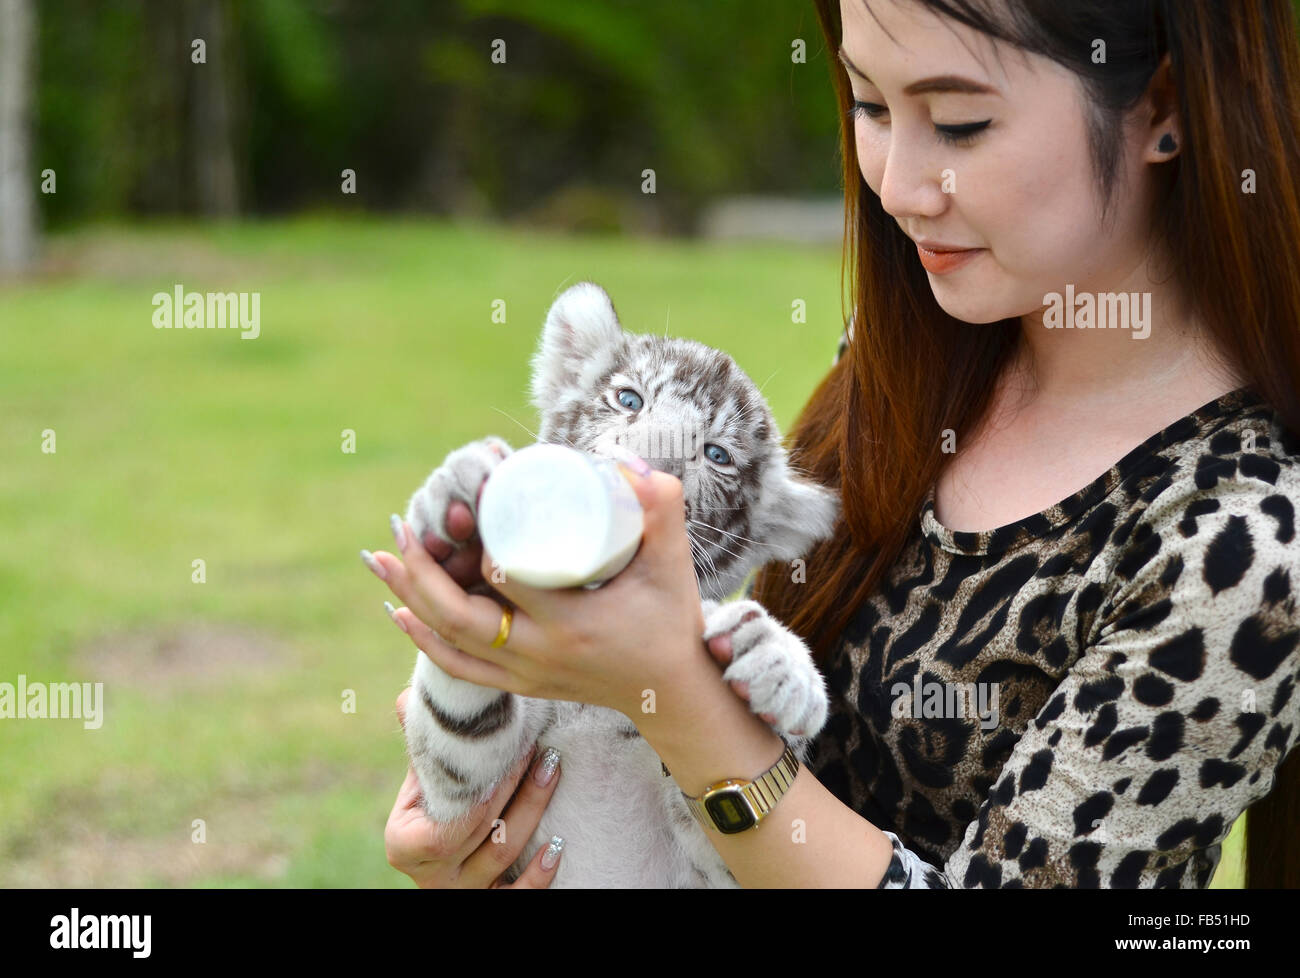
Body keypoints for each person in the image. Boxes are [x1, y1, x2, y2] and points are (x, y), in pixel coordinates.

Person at [371, 0, 1300, 888]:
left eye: (961, 124)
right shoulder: (918, 343)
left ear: (1162, 109)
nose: (895, 187)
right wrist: (490, 827)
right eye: (869, 104)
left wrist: (682, 704)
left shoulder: (1244, 546)